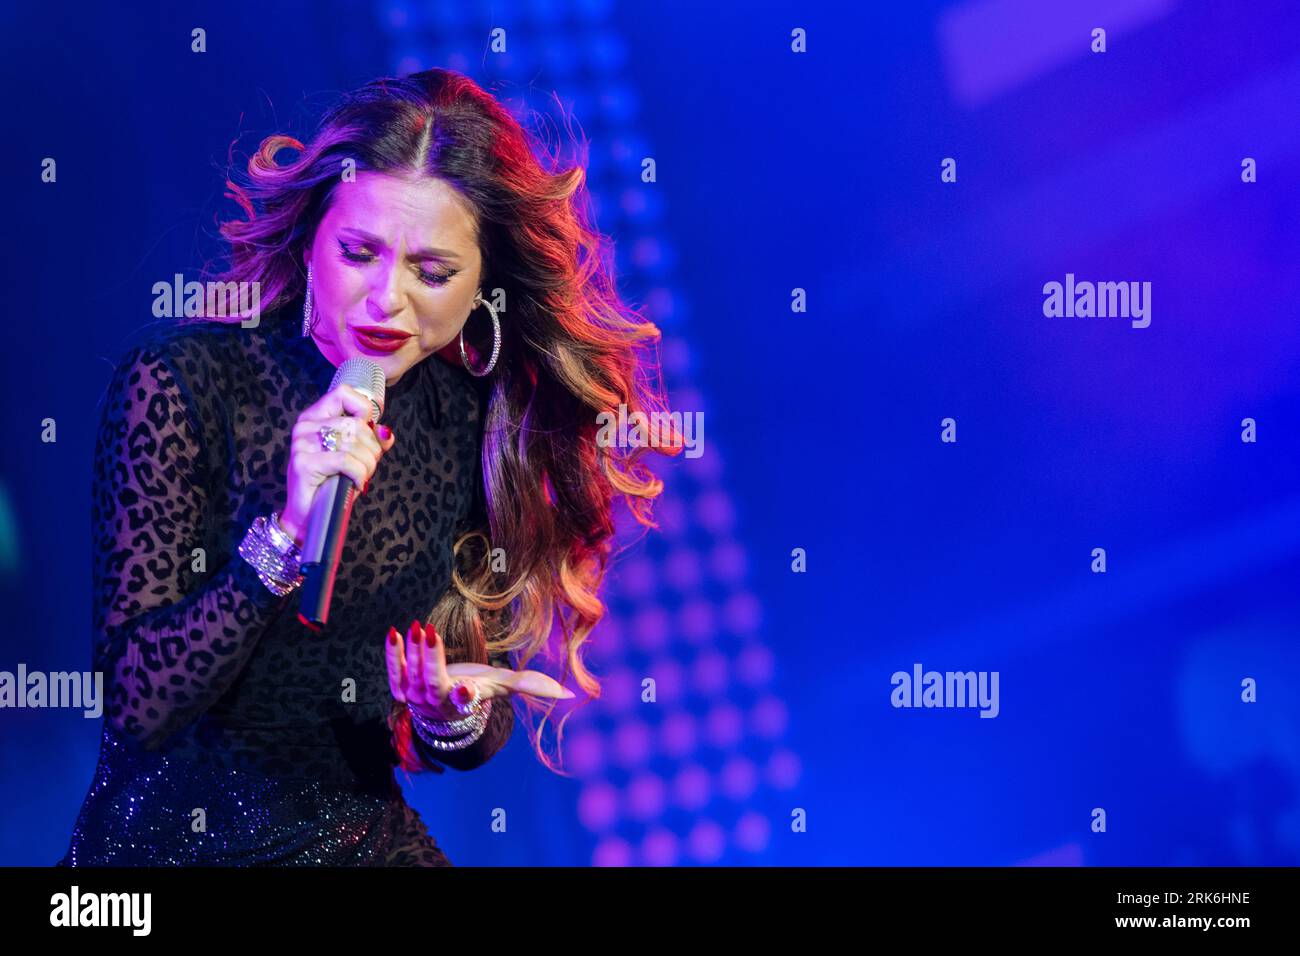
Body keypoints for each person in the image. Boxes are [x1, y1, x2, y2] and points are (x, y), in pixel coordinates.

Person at [59, 68, 678, 866]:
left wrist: (447, 712)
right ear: (312, 236)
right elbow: (137, 705)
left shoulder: (472, 419)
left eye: (432, 273)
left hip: (356, 843)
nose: (387, 298)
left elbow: (468, 686)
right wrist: (284, 534)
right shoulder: (182, 385)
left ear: (485, 284)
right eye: (359, 252)